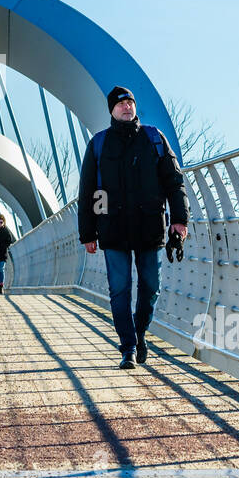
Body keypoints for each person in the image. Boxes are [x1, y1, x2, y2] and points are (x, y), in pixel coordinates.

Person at [77, 86, 189, 369]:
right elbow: (88, 191)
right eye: (121, 104)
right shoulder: (99, 144)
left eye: (130, 102)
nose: (127, 107)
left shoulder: (154, 138)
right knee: (120, 290)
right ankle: (127, 347)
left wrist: (179, 220)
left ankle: (140, 333)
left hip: (149, 227)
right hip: (113, 230)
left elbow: (174, 182)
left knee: (151, 286)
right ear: (111, 110)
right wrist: (88, 233)